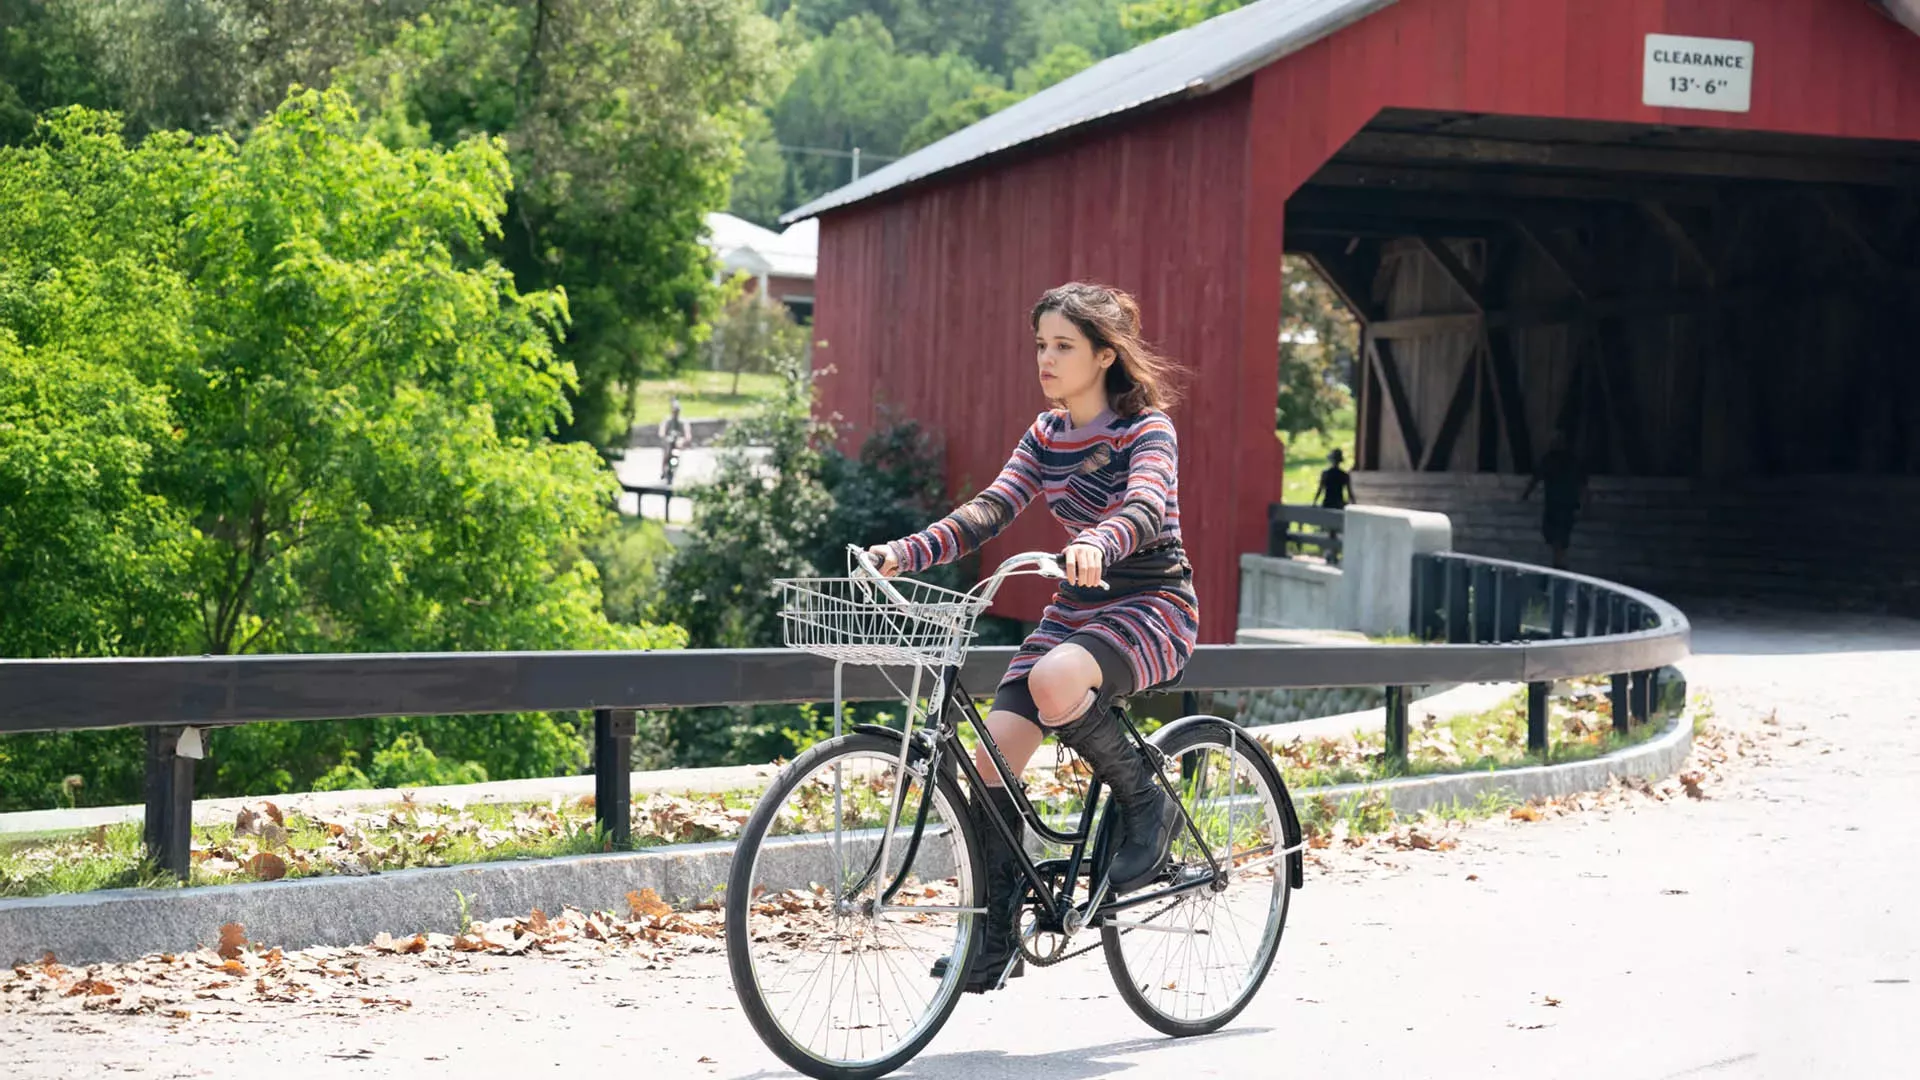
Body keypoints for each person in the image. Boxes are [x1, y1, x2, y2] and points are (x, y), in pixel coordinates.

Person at [869, 282, 1198, 994]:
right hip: (1078, 609)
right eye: (1040, 345)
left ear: (1106, 355)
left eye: (1063, 347)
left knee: (1054, 682)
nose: (1045, 359)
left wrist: (1101, 541)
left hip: (1153, 602)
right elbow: (992, 508)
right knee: (989, 766)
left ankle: (1148, 805)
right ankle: (993, 938)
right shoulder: (1046, 434)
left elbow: (1144, 504)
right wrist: (907, 550)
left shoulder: (1147, 431)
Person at [1521, 432, 1589, 570]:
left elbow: (1583, 486)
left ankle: (1559, 564)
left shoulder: (1571, 461)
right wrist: (1526, 494)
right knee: (1555, 536)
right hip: (1556, 505)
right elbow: (1536, 478)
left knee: (1559, 537)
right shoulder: (1551, 459)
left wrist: (1584, 505)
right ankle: (1558, 563)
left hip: (1563, 505)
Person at [658, 396, 688, 484]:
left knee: (677, 453)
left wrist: (684, 440)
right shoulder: (667, 420)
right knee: (666, 454)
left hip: (677, 442)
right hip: (669, 441)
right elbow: (662, 430)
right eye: (674, 411)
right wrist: (663, 436)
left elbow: (687, 433)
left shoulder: (682, 422)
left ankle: (675, 469)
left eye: (677, 411)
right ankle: (663, 470)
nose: (676, 413)